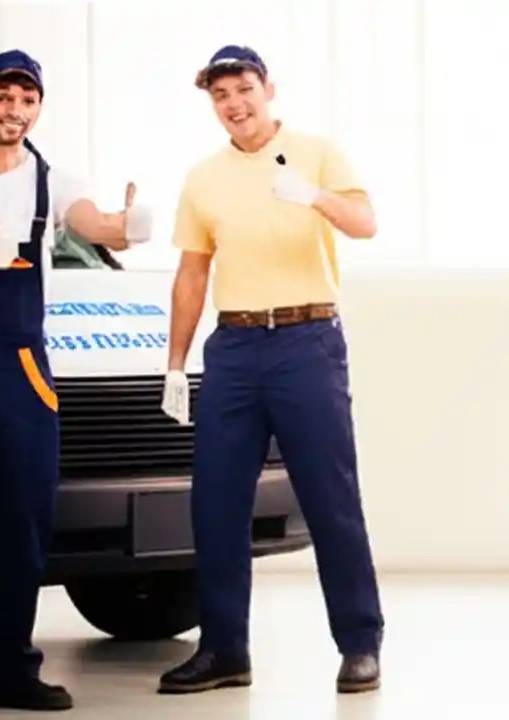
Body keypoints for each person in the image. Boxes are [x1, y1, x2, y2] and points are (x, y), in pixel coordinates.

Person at [0, 49, 151, 718]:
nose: (14, 110)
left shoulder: (52, 181)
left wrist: (128, 226)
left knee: (24, 520)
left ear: (37, 108)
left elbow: (100, 226)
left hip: (23, 367)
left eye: (27, 100)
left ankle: (16, 669)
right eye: (3, 96)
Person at [156, 45, 383, 696]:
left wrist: (313, 196)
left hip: (308, 341)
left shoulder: (317, 152)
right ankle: (225, 649)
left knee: (330, 497)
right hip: (234, 348)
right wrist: (175, 364)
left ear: (268, 89)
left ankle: (360, 643)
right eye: (221, 94)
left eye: (244, 89)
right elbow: (192, 273)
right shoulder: (203, 178)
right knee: (216, 503)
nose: (234, 104)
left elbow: (365, 222)